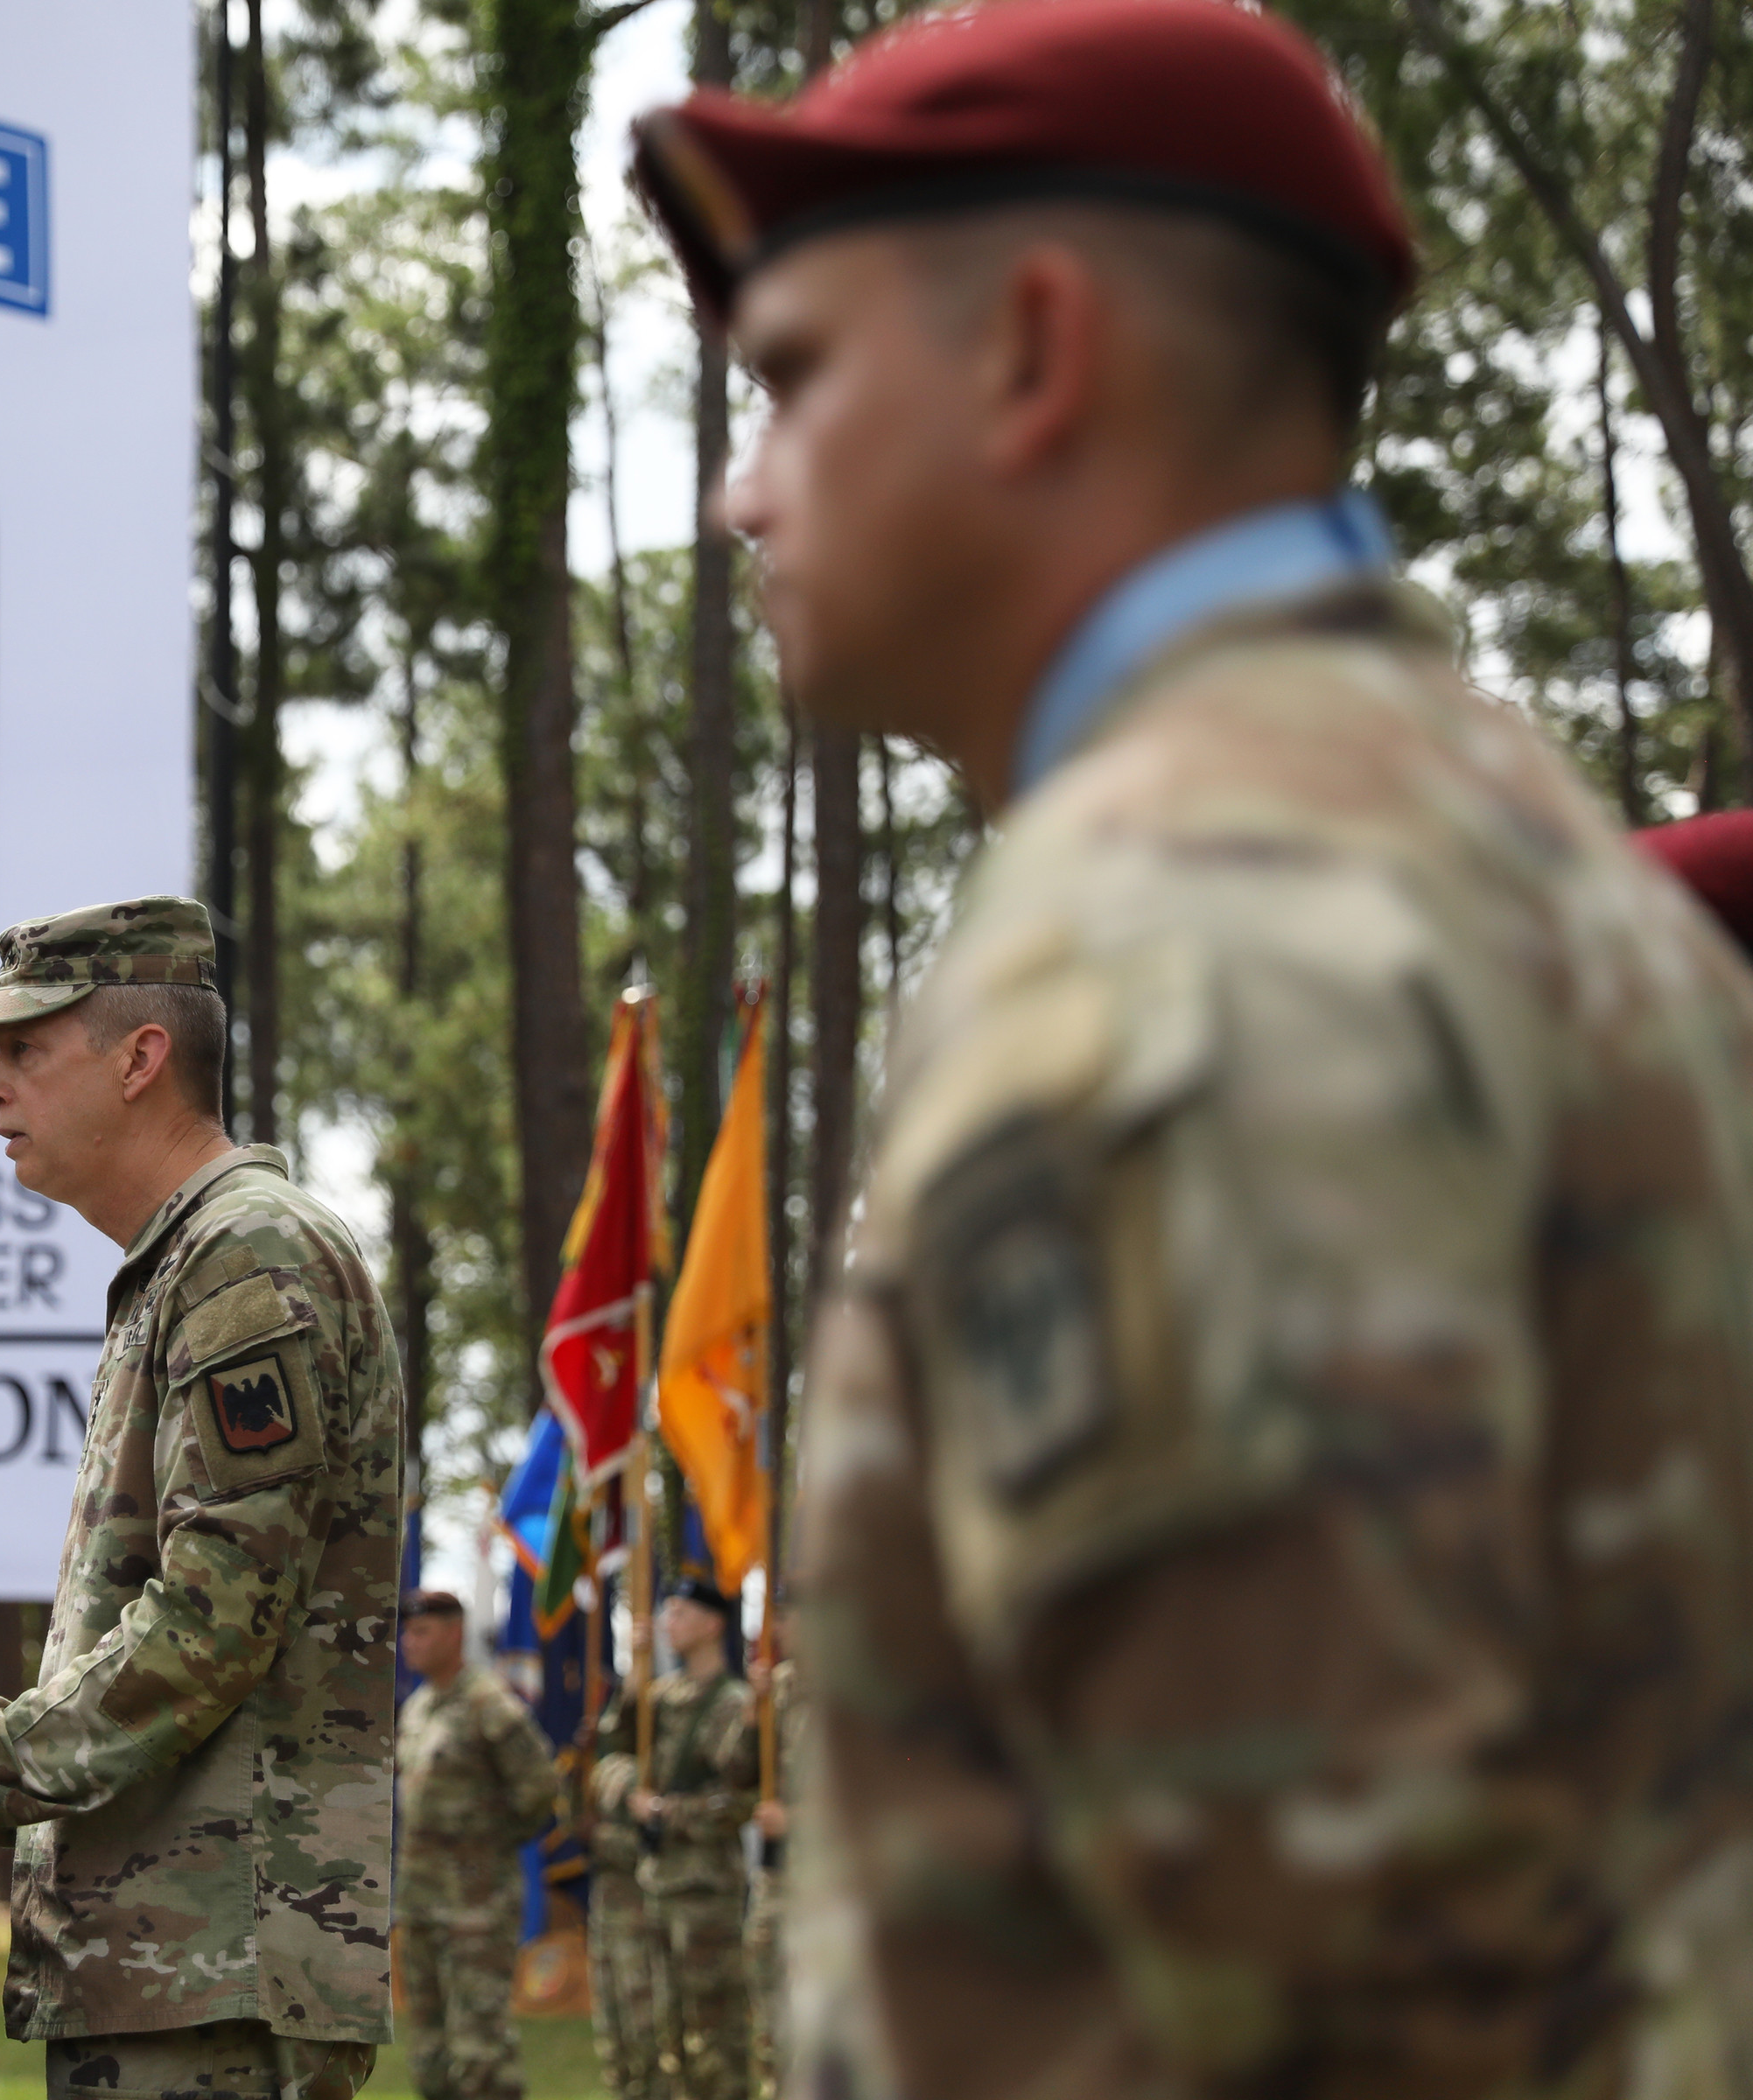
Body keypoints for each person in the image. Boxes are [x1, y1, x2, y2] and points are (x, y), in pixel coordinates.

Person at [631, 1, 1753, 2091]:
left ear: (1036, 352)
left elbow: (1329, 1993)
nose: (739, 491)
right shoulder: (1521, 870)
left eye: (793, 378)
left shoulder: (1183, 948)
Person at [0, 896, 403, 2100]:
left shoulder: (249, 1256)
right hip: (172, 1962)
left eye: (25, 1053)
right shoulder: (189, 1263)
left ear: (141, 1058)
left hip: (220, 1967)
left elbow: (212, 1618)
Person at [394, 1589, 558, 2100]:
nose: (408, 1642)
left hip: (476, 1907)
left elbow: (541, 1790)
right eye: (407, 1631)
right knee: (430, 2050)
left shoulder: (492, 1705)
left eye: (422, 1631)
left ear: (455, 1633)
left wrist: (482, 1849)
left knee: (480, 2052)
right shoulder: (419, 1707)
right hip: (421, 1901)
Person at [628, 1578, 756, 2100]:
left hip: (706, 1889)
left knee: (715, 2031)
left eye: (679, 1613)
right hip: (659, 1882)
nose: (666, 1623)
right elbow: (613, 1756)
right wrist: (634, 1675)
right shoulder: (660, 1696)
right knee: (670, 2033)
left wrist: (666, 1811)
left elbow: (743, 1800)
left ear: (712, 1624)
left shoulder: (737, 1702)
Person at [579, 1676, 665, 2100]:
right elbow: (577, 1820)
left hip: (639, 1909)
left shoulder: (651, 1768)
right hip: (606, 1908)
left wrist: (601, 1839)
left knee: (643, 2022)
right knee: (610, 2024)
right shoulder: (605, 1765)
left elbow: (654, 1844)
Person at [741, 1611, 801, 2098]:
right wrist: (751, 1712)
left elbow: (906, 1783)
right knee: (770, 2020)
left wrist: (798, 1820)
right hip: (777, 1881)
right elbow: (735, 1771)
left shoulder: (866, 1688)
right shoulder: (778, 1688)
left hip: (837, 1886)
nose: (783, 1626)